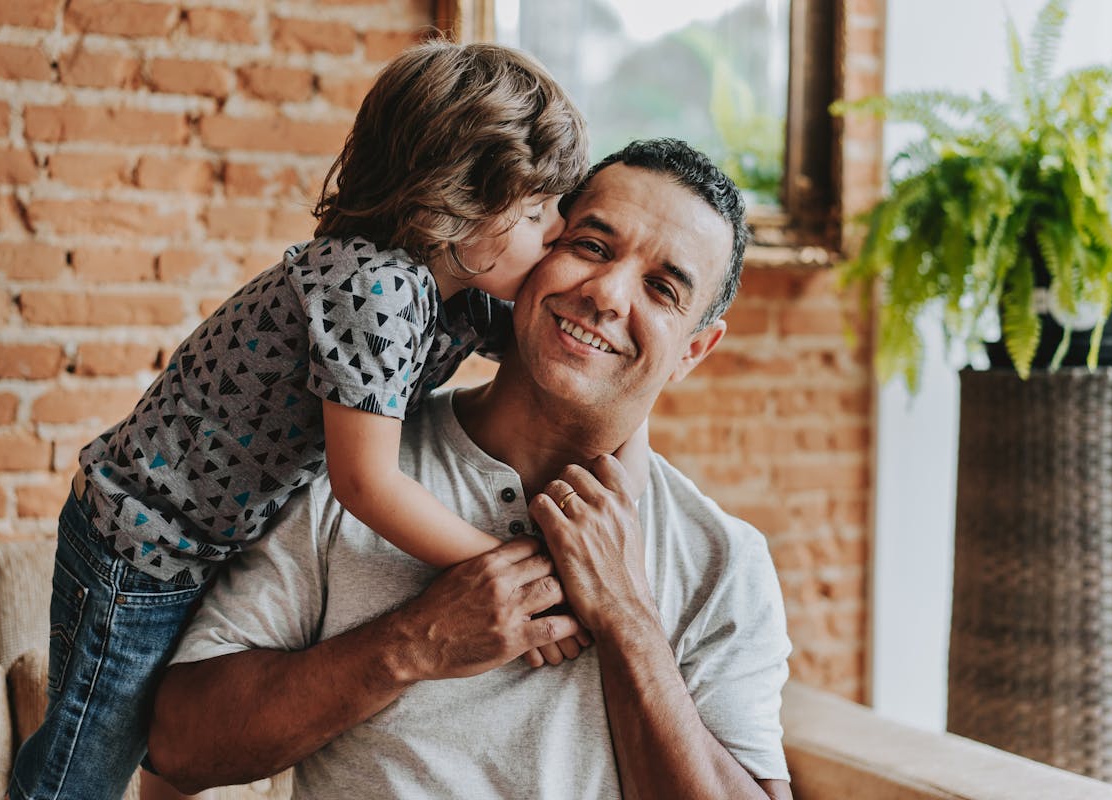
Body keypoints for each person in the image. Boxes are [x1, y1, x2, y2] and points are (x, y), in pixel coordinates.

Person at [10, 41, 591, 800]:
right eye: (538, 209)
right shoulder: (376, 287)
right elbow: (366, 482)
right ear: (451, 203)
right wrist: (501, 568)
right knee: (81, 772)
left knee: (172, 759)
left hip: (214, 538)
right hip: (141, 543)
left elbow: (543, 337)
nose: (553, 232)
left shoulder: (450, 291)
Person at [148, 139, 795, 800]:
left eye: (661, 288)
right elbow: (177, 747)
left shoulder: (724, 562)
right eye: (591, 246)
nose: (607, 294)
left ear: (695, 348)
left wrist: (627, 616)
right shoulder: (351, 460)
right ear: (538, 245)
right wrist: (412, 644)